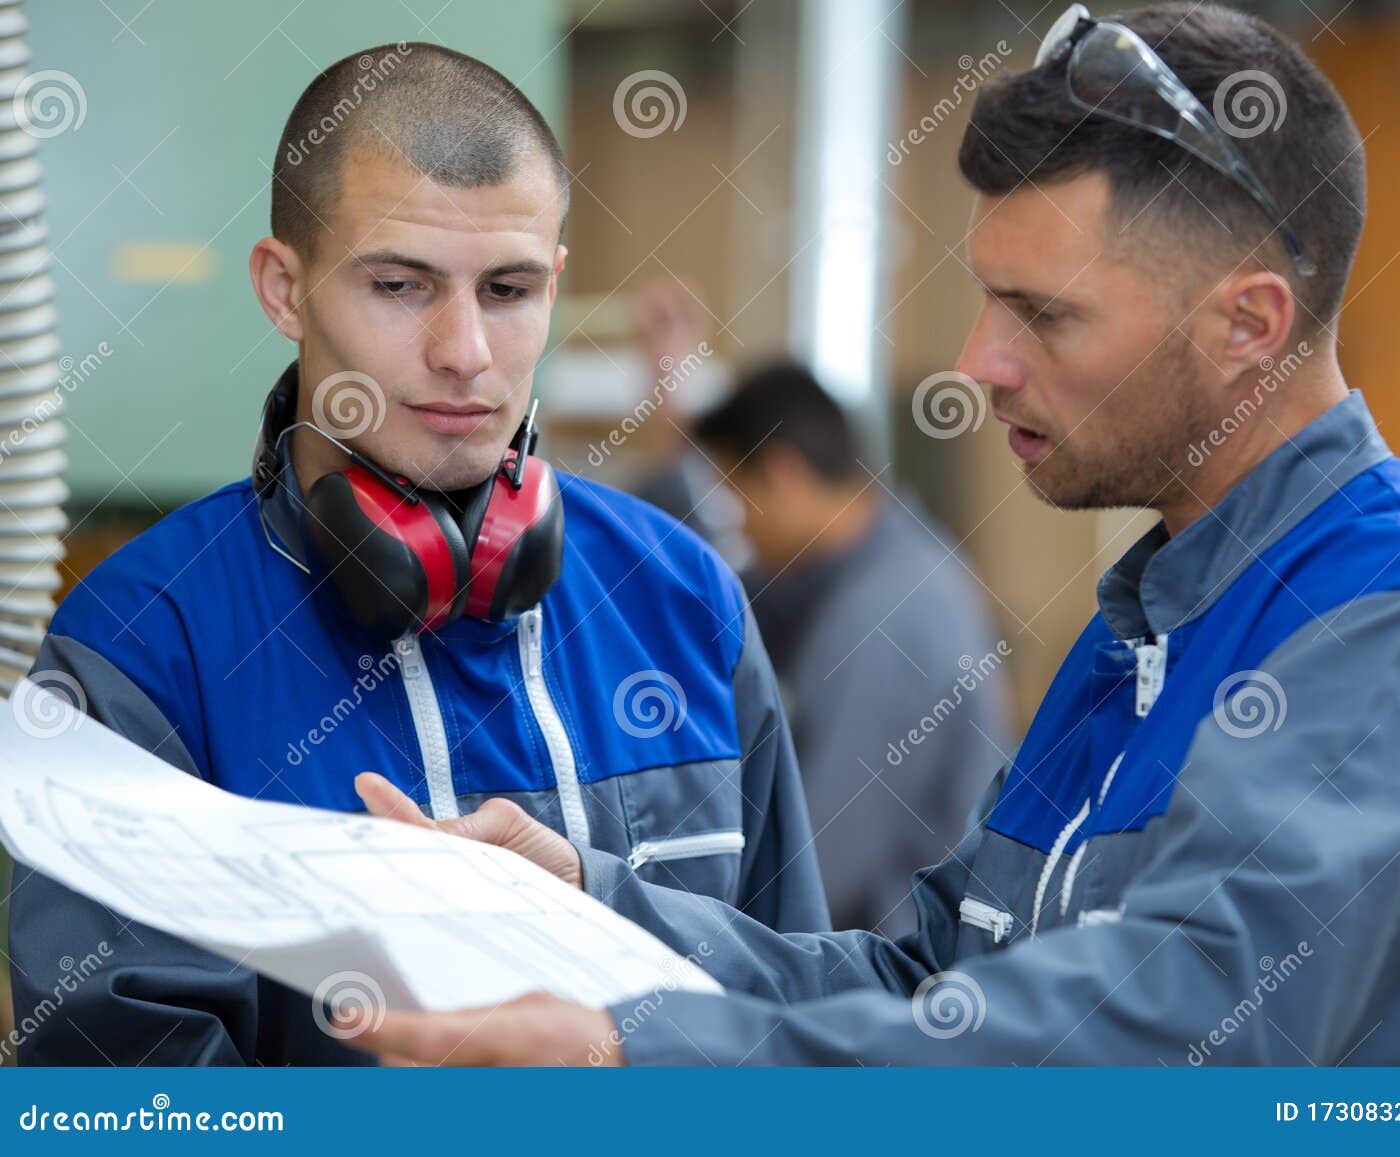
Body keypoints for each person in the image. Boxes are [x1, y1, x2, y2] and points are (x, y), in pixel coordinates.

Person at [338, 4, 1400, 1067]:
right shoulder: (1154, 620)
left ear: (1248, 325)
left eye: (1041, 314)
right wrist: (591, 902)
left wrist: (641, 1048)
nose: (977, 362)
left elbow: (1161, 1041)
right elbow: (930, 971)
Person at [6, 42, 828, 1066]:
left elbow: (800, 1025)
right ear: (282, 289)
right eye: (400, 284)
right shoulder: (140, 648)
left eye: (510, 289)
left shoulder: (681, 597)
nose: (466, 352)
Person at [693, 361, 1012, 936]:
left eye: (733, 500)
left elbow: (823, 867)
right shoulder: (870, 555)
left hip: (899, 960)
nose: (734, 530)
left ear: (782, 476)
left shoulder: (887, 616)